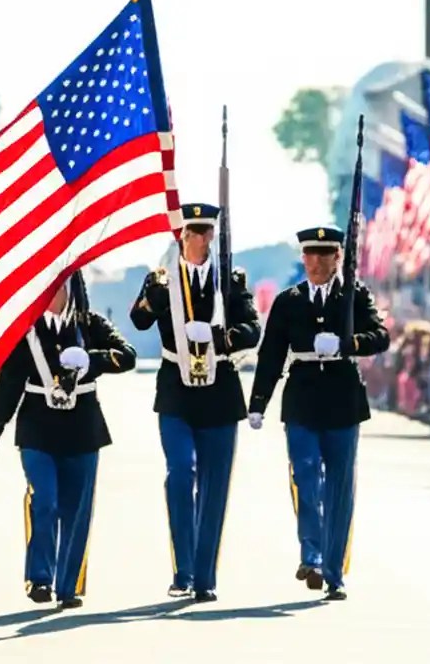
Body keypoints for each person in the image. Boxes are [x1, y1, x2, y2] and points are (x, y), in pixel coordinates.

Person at [246, 226, 389, 601]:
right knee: (305, 474)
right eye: (310, 255)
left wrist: (348, 343)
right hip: (303, 398)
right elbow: (271, 354)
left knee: (339, 487)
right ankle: (311, 553)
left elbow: (380, 335)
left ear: (338, 258)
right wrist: (258, 402)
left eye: (325, 255)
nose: (316, 262)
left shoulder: (354, 295)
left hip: (342, 398)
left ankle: (334, 571)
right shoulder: (289, 300)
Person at [129, 202, 261, 603]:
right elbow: (138, 321)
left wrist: (222, 337)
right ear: (180, 236)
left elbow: (252, 329)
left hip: (220, 390)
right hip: (176, 392)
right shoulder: (162, 278)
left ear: (212, 237)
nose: (196, 238)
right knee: (181, 472)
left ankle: (205, 577)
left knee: (214, 487)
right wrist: (152, 297)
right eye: (189, 232)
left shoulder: (230, 281)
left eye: (203, 232)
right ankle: (182, 569)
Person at [0, 272, 136, 609]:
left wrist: (92, 361)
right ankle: (39, 577)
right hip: (38, 426)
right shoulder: (26, 332)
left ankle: (69, 586)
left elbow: (127, 355)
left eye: (57, 285)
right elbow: (9, 382)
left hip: (82, 428)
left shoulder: (91, 324)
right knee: (45, 499)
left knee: (76, 510)